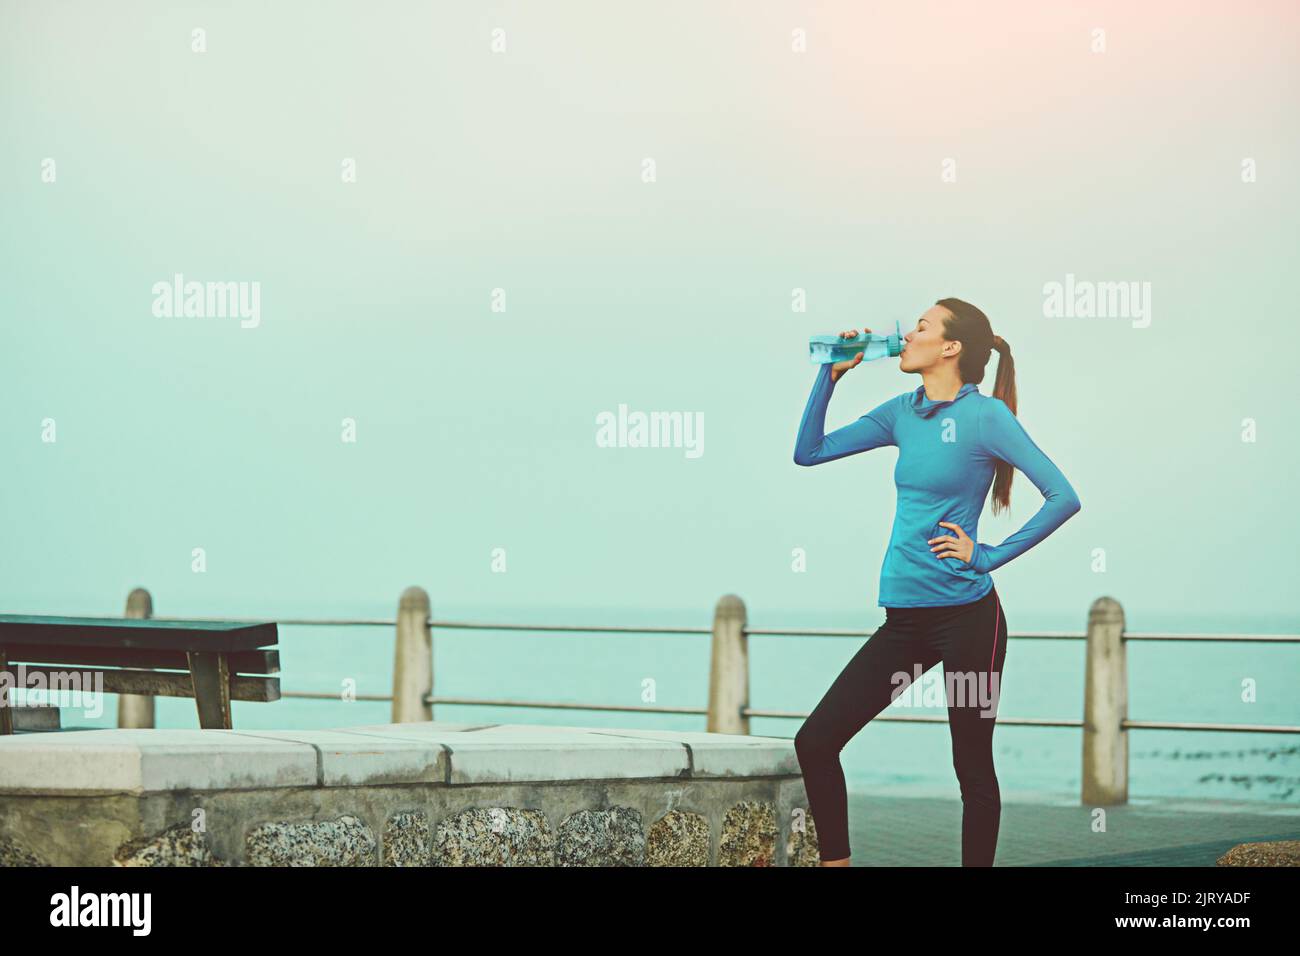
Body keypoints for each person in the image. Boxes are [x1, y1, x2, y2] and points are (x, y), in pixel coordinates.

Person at [791, 297, 1081, 866]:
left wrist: (989, 555)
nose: (908, 333)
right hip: (905, 620)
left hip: (968, 618)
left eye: (921, 326)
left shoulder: (985, 417)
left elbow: (1063, 497)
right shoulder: (903, 411)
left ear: (950, 347)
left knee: (971, 767)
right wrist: (829, 375)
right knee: (816, 742)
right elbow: (809, 452)